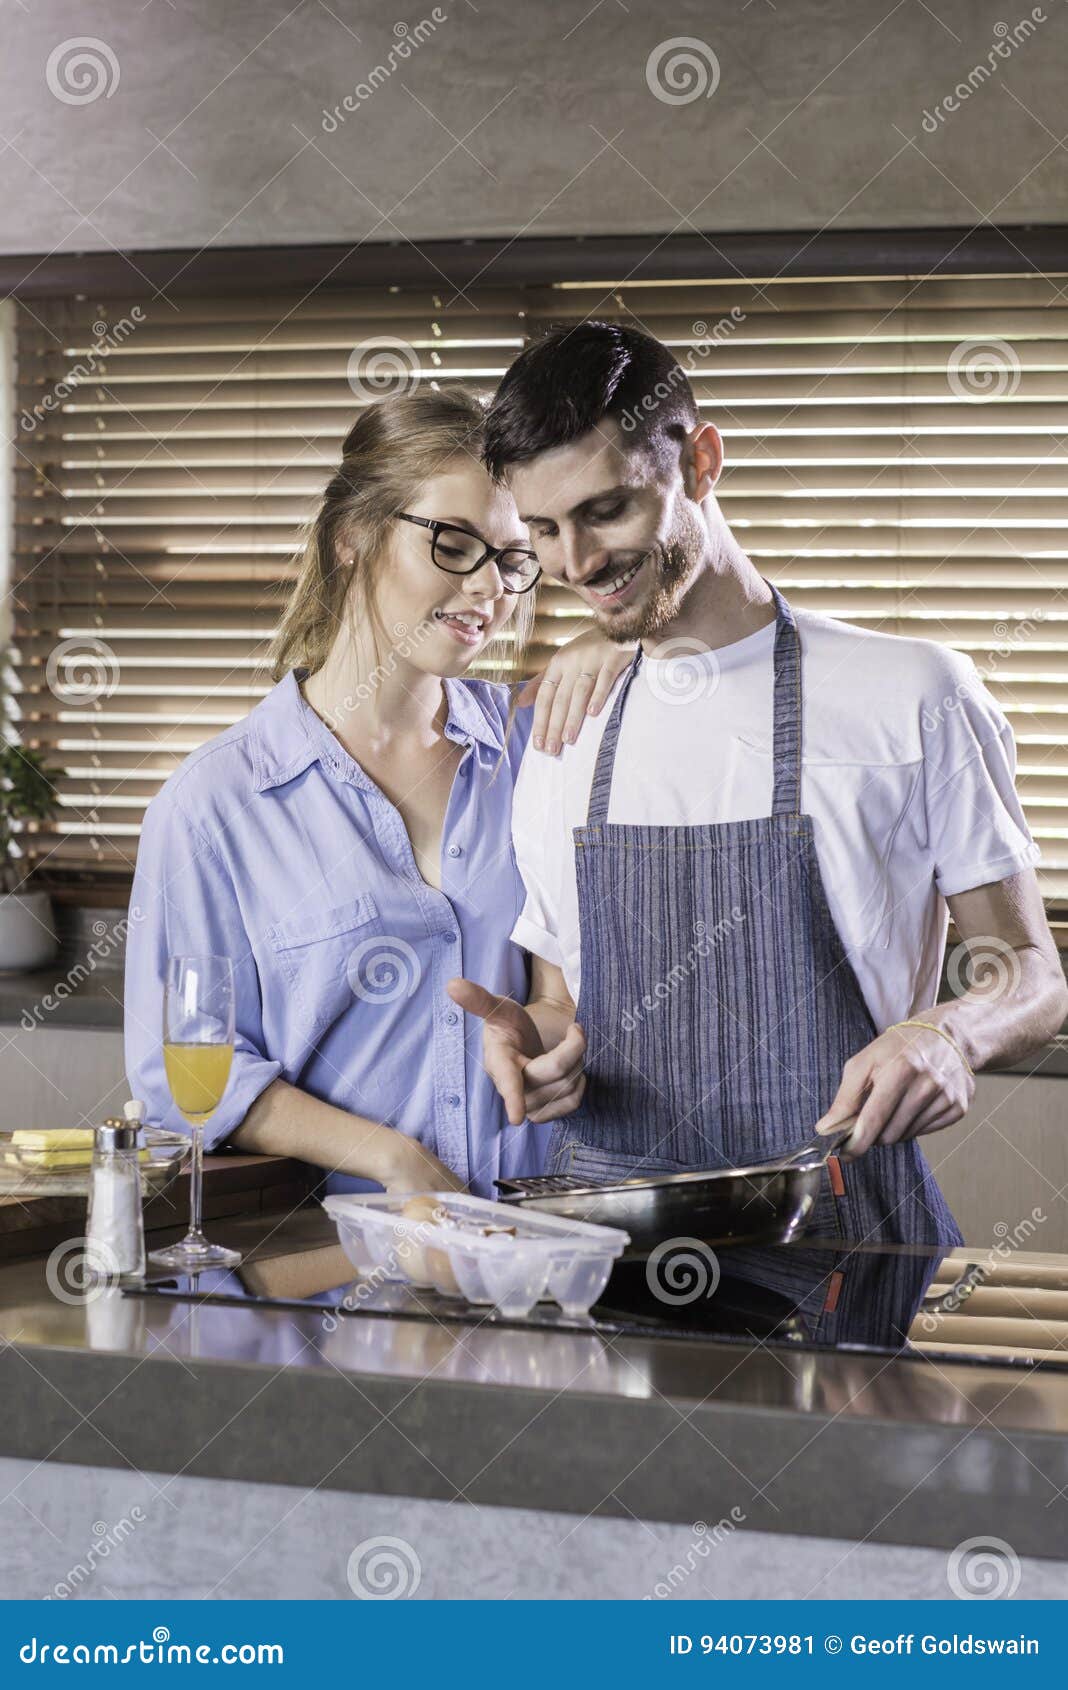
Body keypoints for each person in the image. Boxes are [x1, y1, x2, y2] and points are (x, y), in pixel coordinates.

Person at [450, 322, 1068, 1246]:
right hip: (607, 1249)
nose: (577, 566)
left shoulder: (913, 695)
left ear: (701, 461)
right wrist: (541, 1048)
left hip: (833, 1237)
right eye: (544, 531)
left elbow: (1031, 975)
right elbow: (563, 999)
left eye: (607, 510)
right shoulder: (561, 731)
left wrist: (951, 1034)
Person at [123, 387, 631, 1198]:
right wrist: (395, 1160)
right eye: (455, 543)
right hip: (327, 1272)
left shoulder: (539, 748)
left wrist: (549, 1047)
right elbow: (187, 1069)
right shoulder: (214, 805)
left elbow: (555, 992)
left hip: (532, 1261)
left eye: (510, 557)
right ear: (352, 538)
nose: (489, 591)